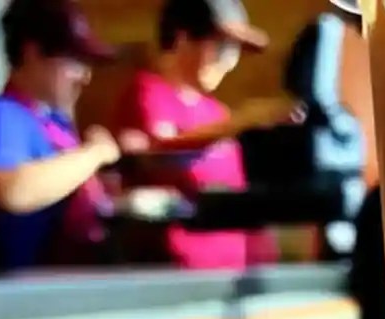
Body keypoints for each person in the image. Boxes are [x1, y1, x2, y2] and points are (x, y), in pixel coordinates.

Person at [115, 0, 297, 270]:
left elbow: (238, 196)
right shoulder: (147, 93)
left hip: (232, 276)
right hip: (175, 277)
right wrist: (240, 123)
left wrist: (265, 261)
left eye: (235, 51)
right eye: (222, 46)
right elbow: (158, 154)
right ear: (182, 37)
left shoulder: (217, 113)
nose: (230, 61)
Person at [0, 0, 122, 273]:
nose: (84, 77)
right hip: (20, 298)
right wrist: (94, 153)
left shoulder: (54, 124)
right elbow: (11, 191)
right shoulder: (5, 114)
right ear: (32, 52)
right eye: (74, 61)